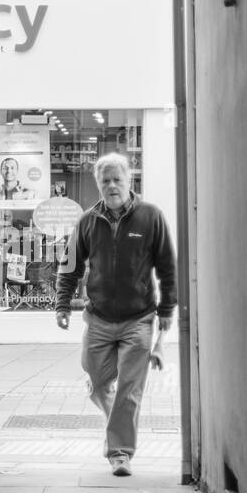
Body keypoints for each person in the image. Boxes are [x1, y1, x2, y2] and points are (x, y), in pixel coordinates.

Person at [55, 152, 176, 476]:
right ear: (98, 184)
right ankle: (117, 428)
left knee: (129, 391)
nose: (111, 186)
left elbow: (167, 266)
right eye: (105, 180)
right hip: (98, 319)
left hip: (139, 319)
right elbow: (70, 265)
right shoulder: (87, 222)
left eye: (117, 179)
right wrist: (62, 303)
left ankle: (119, 453)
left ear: (129, 181)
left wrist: (167, 309)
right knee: (97, 383)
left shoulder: (151, 217)